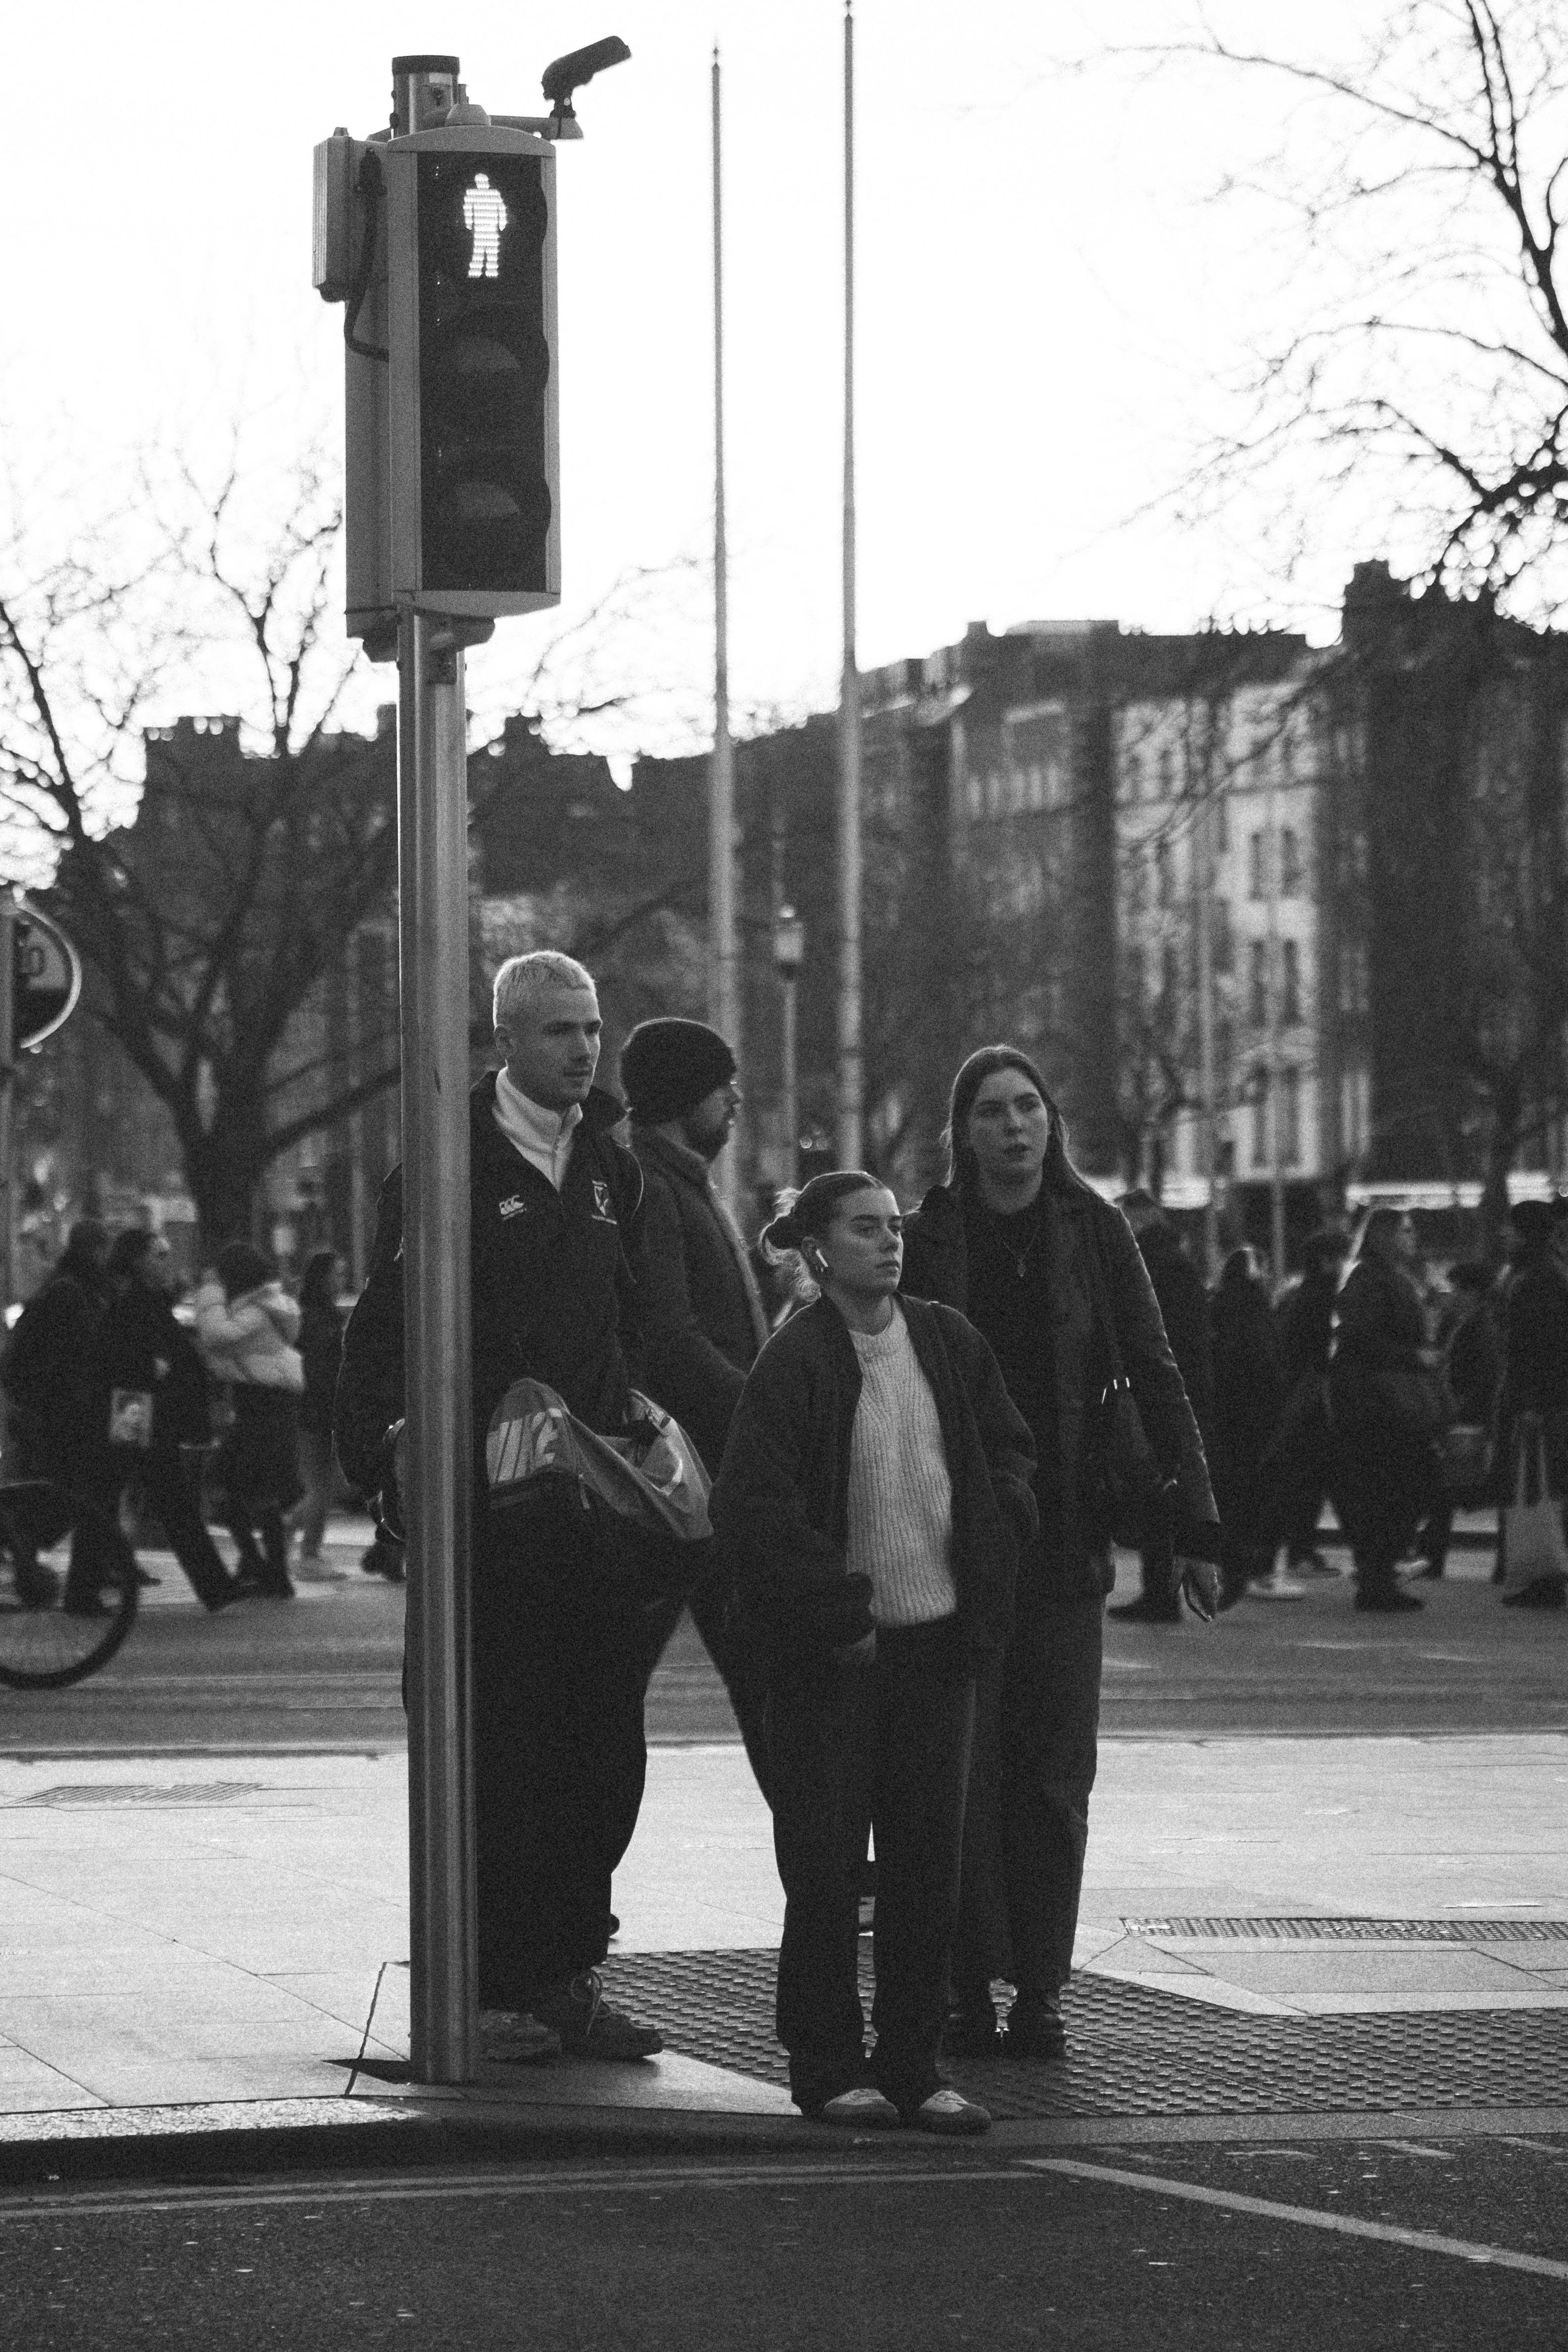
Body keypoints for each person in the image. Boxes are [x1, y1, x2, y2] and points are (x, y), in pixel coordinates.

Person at [336, 948, 663, 2063]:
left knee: (606, 1750)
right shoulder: (448, 1164)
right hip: (495, 1514)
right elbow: (383, 1324)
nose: (586, 1048)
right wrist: (386, 1454)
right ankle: (499, 1976)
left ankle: (567, 1967)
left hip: (596, 1506)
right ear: (508, 1041)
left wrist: (661, 1422)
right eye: (564, 1030)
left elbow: (635, 1325)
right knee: (507, 1752)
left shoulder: (612, 1169)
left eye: (594, 1027)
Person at [901, 1047, 1220, 2061]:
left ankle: (1038, 1987)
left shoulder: (1095, 1229)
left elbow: (1158, 1374)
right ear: (963, 1132)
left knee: (1053, 1780)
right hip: (958, 1543)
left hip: (1069, 1537)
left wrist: (1200, 1525)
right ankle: (966, 1987)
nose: (1011, 1128)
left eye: (1027, 1108)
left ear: (1052, 1123)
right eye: (990, 1111)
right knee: (962, 1776)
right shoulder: (929, 1234)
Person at [712, 1171, 1037, 2134]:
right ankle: (826, 2063)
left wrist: (998, 1528)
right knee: (823, 1867)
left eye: (894, 1227)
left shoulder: (945, 1339)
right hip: (835, 1659)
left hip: (940, 1647)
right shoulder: (797, 1360)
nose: (889, 1243)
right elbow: (754, 1511)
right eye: (865, 1228)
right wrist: (839, 1609)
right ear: (818, 1249)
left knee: (927, 1864)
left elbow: (1009, 1451)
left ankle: (913, 2063)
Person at [619, 1016, 773, 1797]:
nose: (737, 1099)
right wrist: (770, 1408)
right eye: (724, 1085)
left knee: (763, 1684)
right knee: (768, 1686)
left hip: (707, 1475)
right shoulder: (654, 1187)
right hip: (690, 1482)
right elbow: (675, 1341)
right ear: (687, 1094)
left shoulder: (681, 1181)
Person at [101, 1228, 238, 1612]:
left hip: (145, 1413)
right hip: (138, 1412)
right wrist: (154, 1367)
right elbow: (122, 1354)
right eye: (159, 1255)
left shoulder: (146, 1299)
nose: (167, 1262)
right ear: (138, 1260)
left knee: (157, 1501)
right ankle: (215, 1587)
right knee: (150, 1500)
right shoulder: (133, 1301)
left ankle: (216, 1587)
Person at [1326, 1207, 1443, 1616]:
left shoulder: (1386, 1279)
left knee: (1394, 1490)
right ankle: (1378, 1577)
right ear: (1384, 1237)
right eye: (1406, 1230)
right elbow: (1361, 1337)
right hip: (1379, 1406)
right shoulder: (1372, 1280)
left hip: (1383, 1402)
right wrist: (1414, 1357)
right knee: (1387, 1490)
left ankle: (1381, 1573)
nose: (1413, 1238)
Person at [0, 1218, 120, 1613]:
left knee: (63, 1494)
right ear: (96, 1250)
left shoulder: (64, 1284)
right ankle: (65, 1580)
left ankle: (40, 1565)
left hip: (53, 1411)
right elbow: (85, 1353)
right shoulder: (74, 1292)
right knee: (69, 1496)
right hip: (64, 1414)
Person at [1108, 1191, 1214, 1624]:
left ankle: (1162, 1592)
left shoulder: (1150, 1265)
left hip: (1163, 1392)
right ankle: (1177, 1588)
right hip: (1184, 1388)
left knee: (1159, 1492)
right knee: (1176, 1488)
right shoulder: (1177, 1262)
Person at [193, 1242, 304, 1600]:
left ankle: (267, 1569)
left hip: (264, 1409)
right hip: (263, 1408)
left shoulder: (257, 1312)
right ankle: (266, 1569)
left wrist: (209, 1292)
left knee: (233, 1488)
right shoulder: (263, 1308)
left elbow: (217, 1337)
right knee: (250, 1491)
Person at [1494, 1200, 1568, 1610]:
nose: (1504, 1235)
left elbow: (1539, 1347)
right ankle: (1541, 1572)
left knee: (1536, 1486)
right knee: (1541, 1486)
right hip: (1544, 1397)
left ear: (1524, 1232)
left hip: (1538, 1400)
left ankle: (1542, 1574)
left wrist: (1530, 1401)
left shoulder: (1536, 1278)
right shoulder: (1546, 1272)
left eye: (1510, 1228)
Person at [1208, 1246, 1290, 1607]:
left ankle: (1232, 1564)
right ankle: (1248, 1564)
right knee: (1254, 1495)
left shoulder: (1218, 1309)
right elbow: (1269, 1365)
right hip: (1258, 1418)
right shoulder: (1260, 1312)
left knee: (1229, 1494)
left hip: (1225, 1416)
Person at [1274, 1229, 1350, 1574]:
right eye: (1341, 1258)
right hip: (1314, 1400)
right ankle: (1302, 1551)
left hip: (1300, 1398)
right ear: (1327, 1261)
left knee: (1309, 1479)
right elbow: (1320, 1353)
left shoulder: (1300, 1295)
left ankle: (1301, 1549)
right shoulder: (1322, 1298)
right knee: (1315, 1479)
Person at [288, 1250, 346, 1569]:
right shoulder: (309, 1319)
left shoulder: (329, 1316)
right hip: (314, 1411)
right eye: (336, 1275)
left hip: (327, 1411)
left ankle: (305, 1545)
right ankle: (303, 1547)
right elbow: (315, 1369)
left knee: (327, 1486)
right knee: (322, 1488)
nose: (341, 1282)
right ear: (321, 1279)